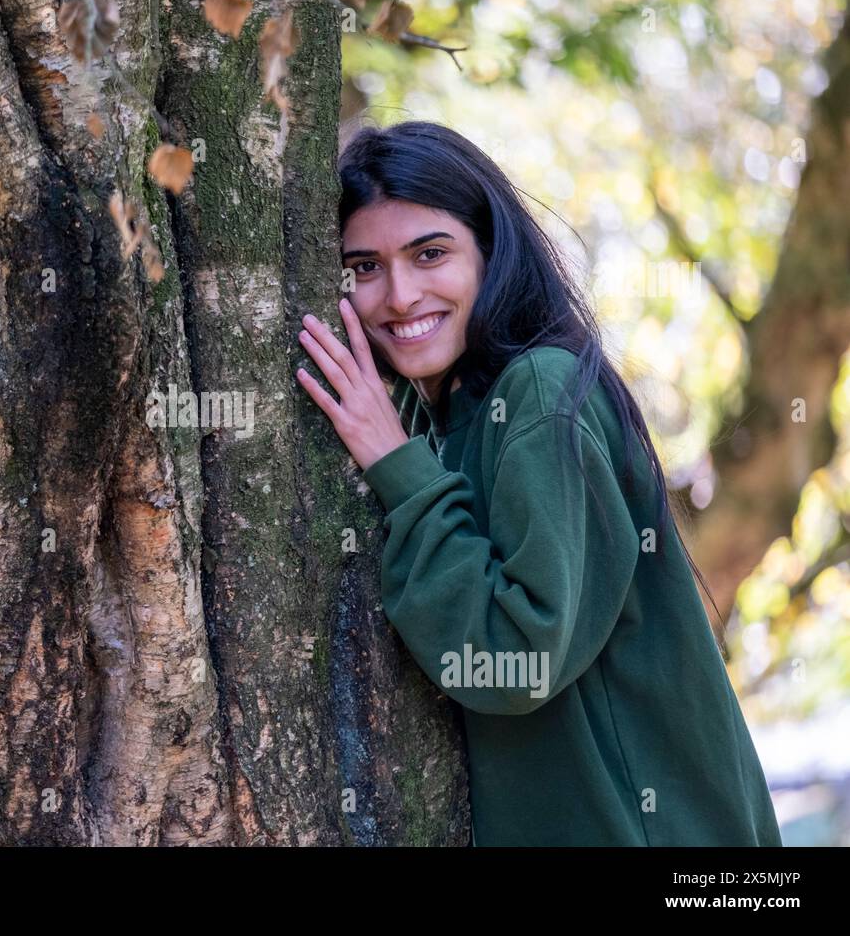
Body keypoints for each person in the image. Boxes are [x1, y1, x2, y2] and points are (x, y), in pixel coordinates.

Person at [295, 120, 782, 846]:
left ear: (492, 249)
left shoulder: (541, 388)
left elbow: (516, 658)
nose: (399, 294)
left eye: (431, 253)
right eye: (364, 267)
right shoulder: (453, 411)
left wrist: (399, 469)